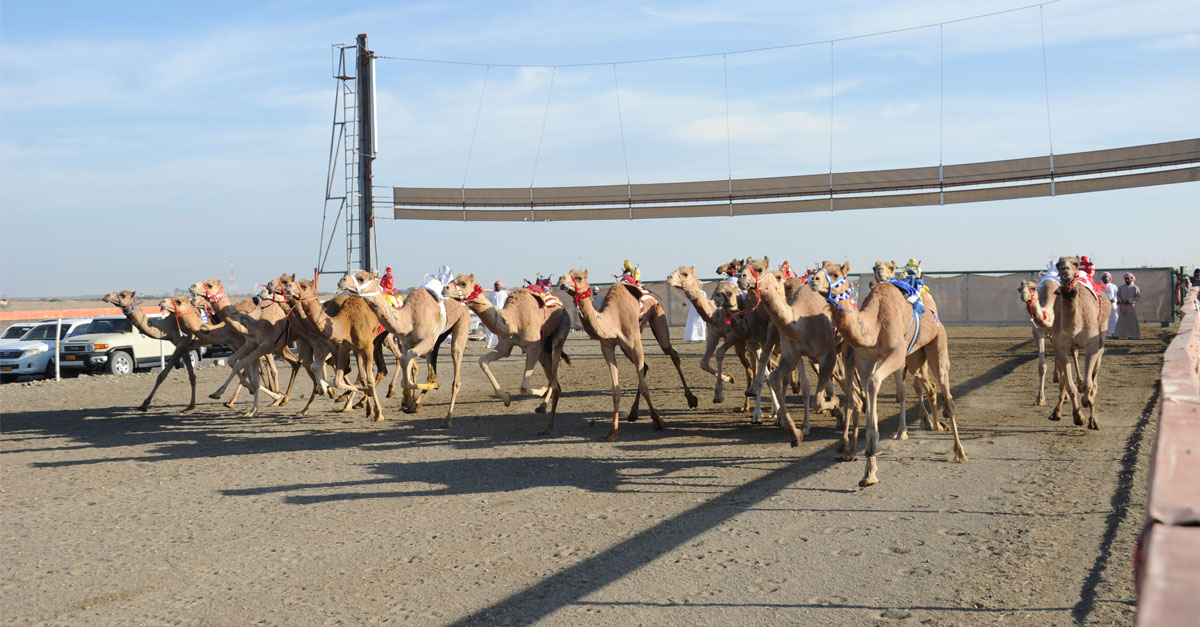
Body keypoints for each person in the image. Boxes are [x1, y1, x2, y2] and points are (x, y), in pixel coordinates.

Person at [1113, 272, 1141, 339]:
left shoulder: (1135, 288)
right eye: (1126, 279)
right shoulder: (1121, 287)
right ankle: (1119, 334)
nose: (1127, 280)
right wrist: (1119, 300)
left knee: (1132, 321)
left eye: (1128, 279)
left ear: (1131, 278)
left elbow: (1138, 297)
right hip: (1122, 307)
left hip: (1131, 307)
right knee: (1121, 321)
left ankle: (1133, 335)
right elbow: (1117, 296)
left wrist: (1130, 300)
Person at [485, 281, 508, 348]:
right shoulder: (491, 294)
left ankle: (500, 343)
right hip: (493, 312)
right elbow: (488, 303)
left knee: (501, 328)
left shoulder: (504, 294)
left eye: (498, 285)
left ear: (501, 286)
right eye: (496, 285)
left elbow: (506, 303)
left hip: (501, 313)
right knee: (490, 328)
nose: (497, 286)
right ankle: (489, 343)